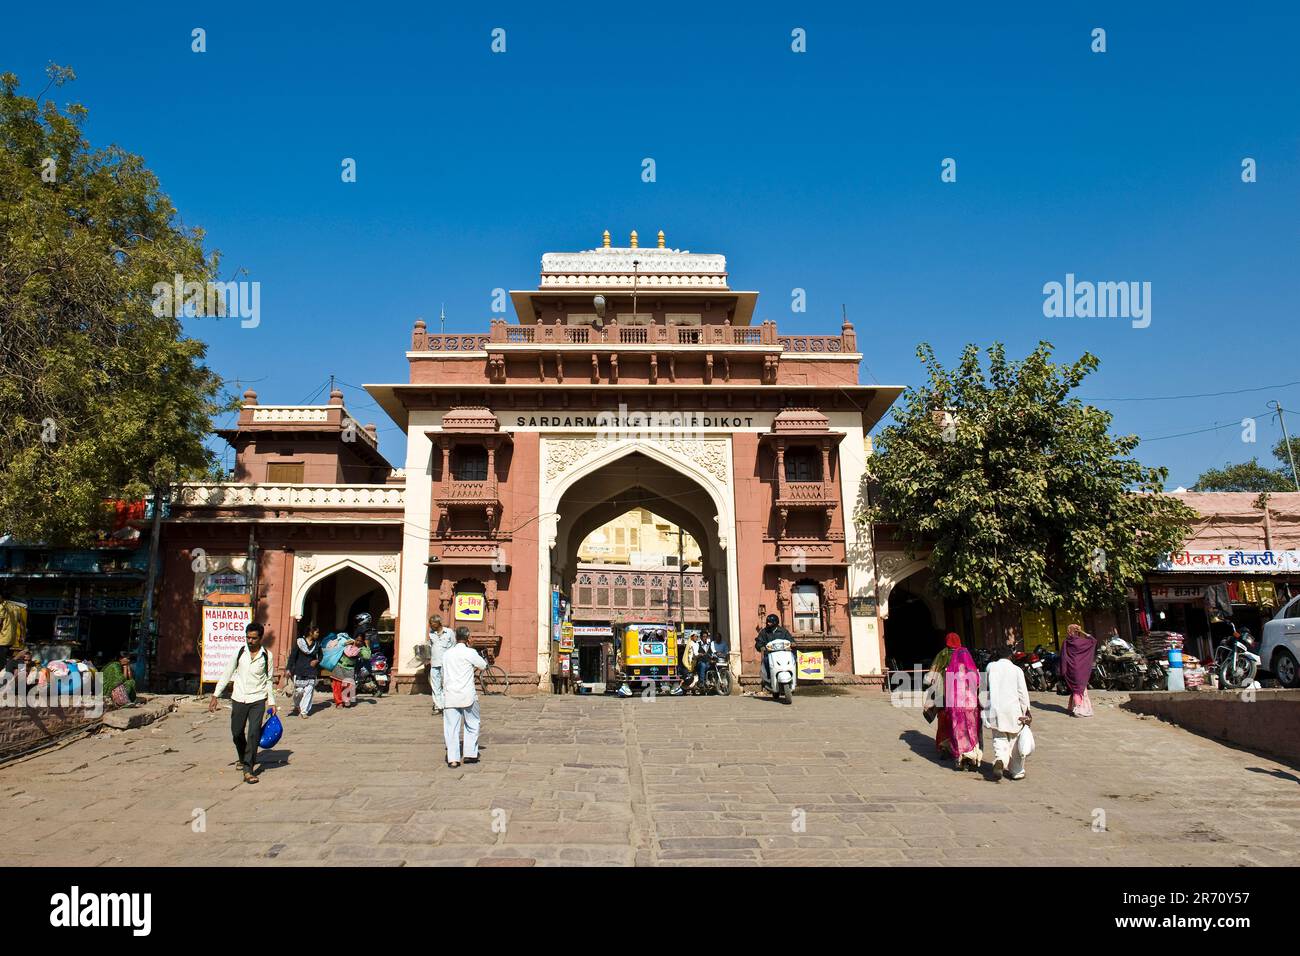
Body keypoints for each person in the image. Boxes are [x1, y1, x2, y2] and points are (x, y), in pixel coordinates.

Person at [209, 622, 278, 784]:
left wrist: (272, 702)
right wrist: (215, 695)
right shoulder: (239, 652)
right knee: (236, 732)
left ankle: (248, 769)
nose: (250, 641)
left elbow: (268, 680)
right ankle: (242, 756)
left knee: (253, 733)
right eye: (248, 637)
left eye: (253, 638)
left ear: (260, 638)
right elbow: (227, 673)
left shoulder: (267, 655)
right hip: (239, 698)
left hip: (258, 699)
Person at [440, 626, 486, 768]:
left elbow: (442, 673)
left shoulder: (447, 654)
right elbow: (483, 665)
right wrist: (472, 649)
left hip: (450, 695)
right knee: (472, 723)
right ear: (468, 638)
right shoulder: (470, 652)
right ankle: (470, 754)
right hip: (467, 694)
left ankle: (453, 759)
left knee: (451, 728)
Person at [984, 646, 1032, 780]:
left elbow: (984, 687)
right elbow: (1022, 692)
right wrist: (1027, 710)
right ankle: (1017, 771)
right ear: (1011, 657)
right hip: (1014, 710)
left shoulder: (990, 667)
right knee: (1015, 740)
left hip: (995, 709)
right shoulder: (1017, 670)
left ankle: (1000, 760)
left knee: (999, 738)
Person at [938, 633, 983, 770]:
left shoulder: (950, 670)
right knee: (972, 730)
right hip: (970, 706)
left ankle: (960, 757)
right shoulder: (972, 670)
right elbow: (978, 683)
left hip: (956, 707)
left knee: (958, 731)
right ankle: (972, 757)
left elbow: (947, 689)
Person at [1062, 623, 1097, 717]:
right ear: (1077, 631)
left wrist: (1063, 670)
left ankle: (1074, 707)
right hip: (1081, 669)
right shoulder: (1081, 642)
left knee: (1076, 688)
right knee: (1079, 689)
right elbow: (1093, 640)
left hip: (1071, 669)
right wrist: (1083, 632)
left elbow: (1063, 657)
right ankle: (1079, 709)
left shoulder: (1066, 642)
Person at [286, 625, 321, 718]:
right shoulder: (299, 642)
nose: (318, 634)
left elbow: (321, 656)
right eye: (316, 632)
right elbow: (292, 656)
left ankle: (304, 711)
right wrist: (288, 668)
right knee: (299, 691)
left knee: (309, 691)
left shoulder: (317, 644)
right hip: (299, 670)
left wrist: (317, 661)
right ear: (310, 633)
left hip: (311, 671)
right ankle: (297, 705)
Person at [427, 613, 456, 714]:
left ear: (438, 623)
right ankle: (437, 706)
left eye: (432, 623)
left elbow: (453, 645)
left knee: (446, 685)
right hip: (434, 663)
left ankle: (445, 705)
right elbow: (430, 646)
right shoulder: (431, 634)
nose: (430, 625)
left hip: (445, 664)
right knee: (435, 686)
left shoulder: (449, 632)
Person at [331, 631, 369, 708]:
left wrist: (366, 645)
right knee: (337, 686)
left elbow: (367, 656)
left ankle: (346, 700)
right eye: (357, 640)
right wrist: (345, 643)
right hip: (339, 666)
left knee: (348, 686)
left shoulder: (362, 649)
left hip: (350, 668)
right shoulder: (348, 642)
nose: (358, 642)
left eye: (360, 641)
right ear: (354, 638)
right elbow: (337, 646)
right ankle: (339, 702)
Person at [756, 614, 794, 687]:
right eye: (767, 622)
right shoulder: (764, 632)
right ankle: (768, 678)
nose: (768, 623)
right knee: (766, 661)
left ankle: (792, 678)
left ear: (775, 622)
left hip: (783, 654)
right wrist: (761, 647)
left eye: (770, 622)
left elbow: (791, 640)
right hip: (770, 655)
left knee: (793, 659)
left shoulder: (783, 631)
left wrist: (793, 643)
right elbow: (759, 642)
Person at [0, 589, 25, 667]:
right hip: (11, 639)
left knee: (1, 663)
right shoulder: (16, 607)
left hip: (2, 639)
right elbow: (22, 623)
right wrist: (22, 636)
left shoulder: (1, 607)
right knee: (6, 660)